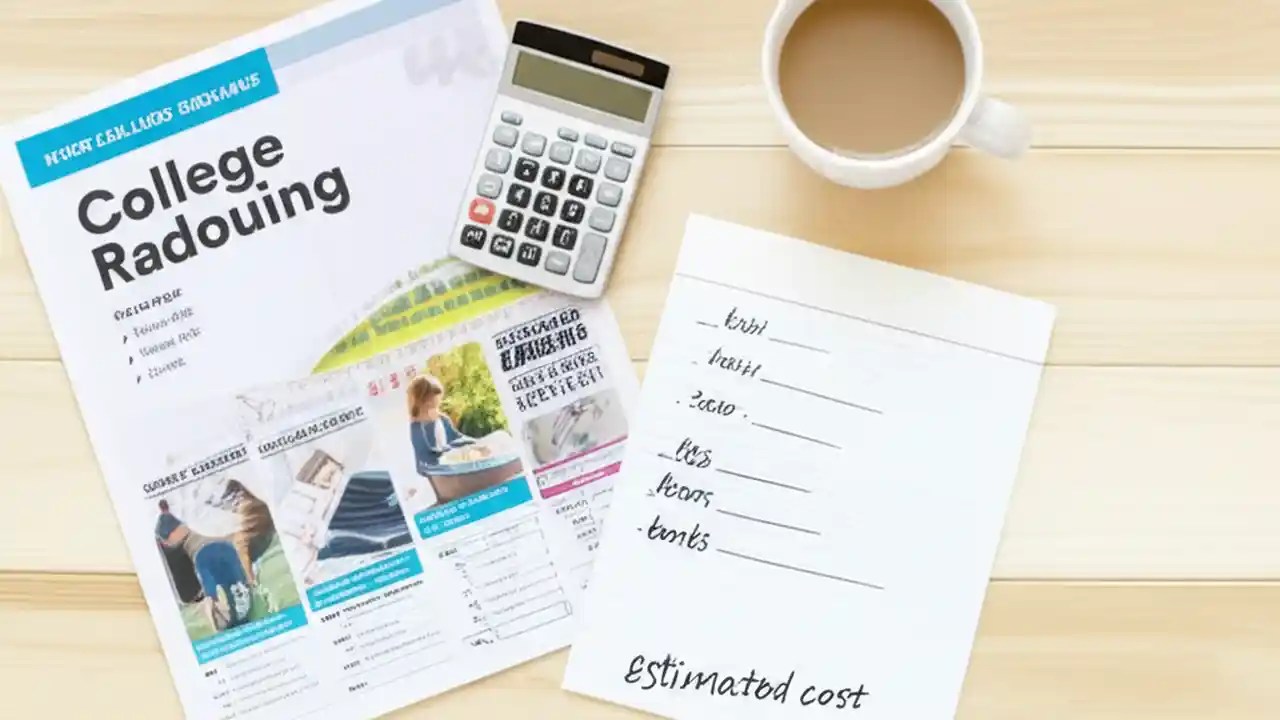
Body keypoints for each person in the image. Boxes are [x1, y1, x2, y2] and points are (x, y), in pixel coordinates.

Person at [155, 499, 251, 630]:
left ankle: (227, 612)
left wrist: (211, 597)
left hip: (204, 553)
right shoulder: (193, 519)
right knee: (237, 581)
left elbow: (207, 580)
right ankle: (239, 602)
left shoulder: (178, 526)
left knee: (218, 589)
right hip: (224, 547)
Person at [406, 374, 474, 472]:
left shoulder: (442, 419)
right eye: (429, 403)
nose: (434, 405)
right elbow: (425, 455)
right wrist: (451, 451)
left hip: (449, 468)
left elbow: (456, 438)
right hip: (433, 475)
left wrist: (475, 443)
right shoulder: (417, 426)